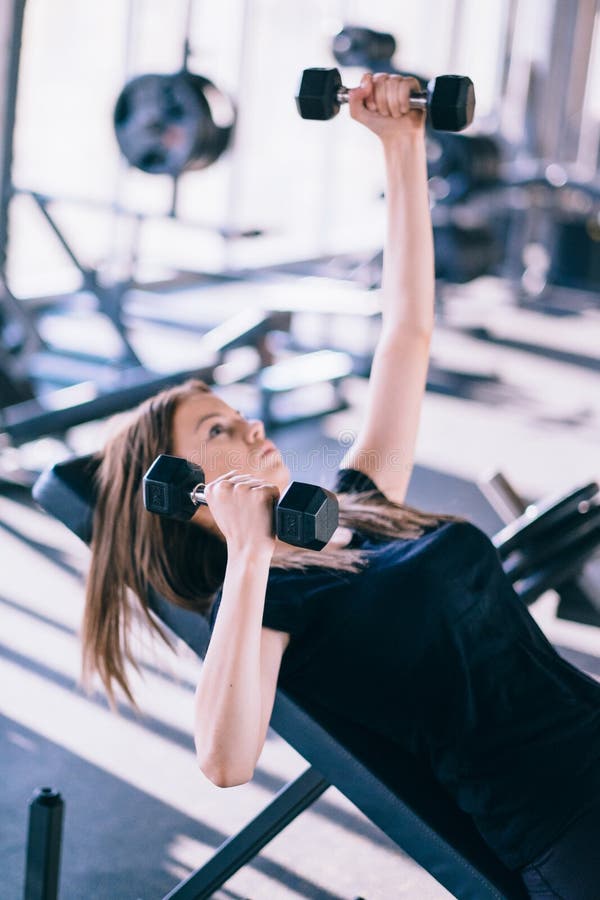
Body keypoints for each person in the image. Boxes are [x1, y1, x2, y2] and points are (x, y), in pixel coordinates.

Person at [84, 74, 600, 898]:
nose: (252, 426)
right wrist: (250, 557)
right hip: (569, 826)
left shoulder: (363, 505)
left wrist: (402, 149)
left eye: (237, 412)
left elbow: (407, 333)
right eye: (219, 431)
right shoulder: (266, 609)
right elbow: (223, 761)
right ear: (180, 489)